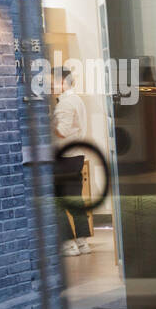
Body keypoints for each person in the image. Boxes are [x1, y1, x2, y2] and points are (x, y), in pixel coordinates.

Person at [51, 67, 91, 256]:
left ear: (61, 81)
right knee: (75, 199)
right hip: (78, 155)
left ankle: (68, 243)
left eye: (51, 81)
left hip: (64, 158)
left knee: (56, 200)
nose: (50, 85)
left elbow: (62, 131)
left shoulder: (64, 104)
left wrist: (46, 127)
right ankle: (83, 242)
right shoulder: (78, 100)